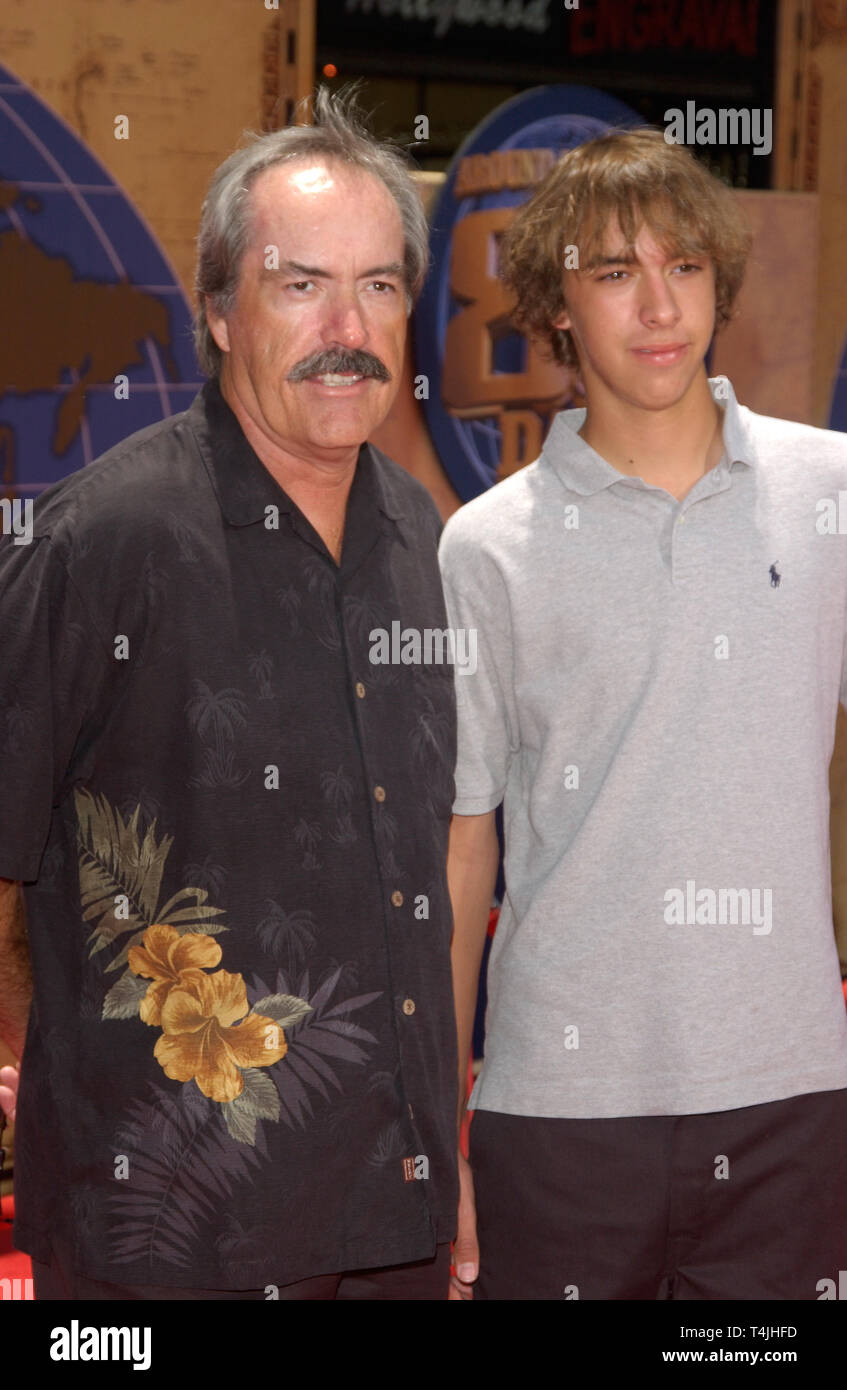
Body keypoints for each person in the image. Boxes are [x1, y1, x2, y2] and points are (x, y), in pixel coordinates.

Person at [0, 87, 458, 1300]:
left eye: (378, 285)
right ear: (217, 309)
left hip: (391, 1217)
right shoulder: (103, 539)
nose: (345, 325)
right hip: (165, 1236)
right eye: (299, 283)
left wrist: (447, 1165)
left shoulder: (419, 536)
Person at [441, 127, 847, 1301]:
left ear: (720, 282)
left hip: (787, 1104)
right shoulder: (487, 547)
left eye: (682, 265)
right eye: (612, 272)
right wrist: (432, 1122)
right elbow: (464, 848)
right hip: (557, 1116)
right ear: (555, 309)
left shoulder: (829, 494)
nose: (657, 304)